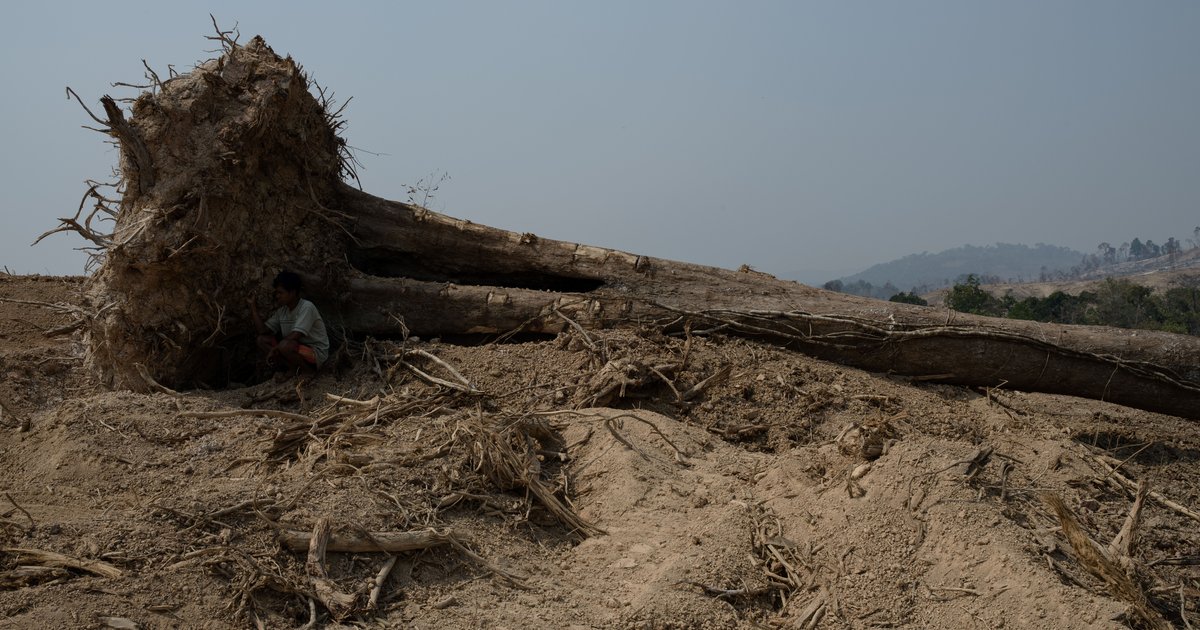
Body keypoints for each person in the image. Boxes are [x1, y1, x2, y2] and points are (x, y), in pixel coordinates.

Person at [248, 271, 329, 378]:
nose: (277, 296)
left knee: (285, 345)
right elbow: (263, 330)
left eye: (280, 293)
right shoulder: (282, 311)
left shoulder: (307, 307)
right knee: (262, 340)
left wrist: (274, 349)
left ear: (293, 292)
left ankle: (308, 372)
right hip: (294, 349)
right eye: (276, 293)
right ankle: (293, 368)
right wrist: (253, 308)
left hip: (315, 353)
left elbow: (296, 335)